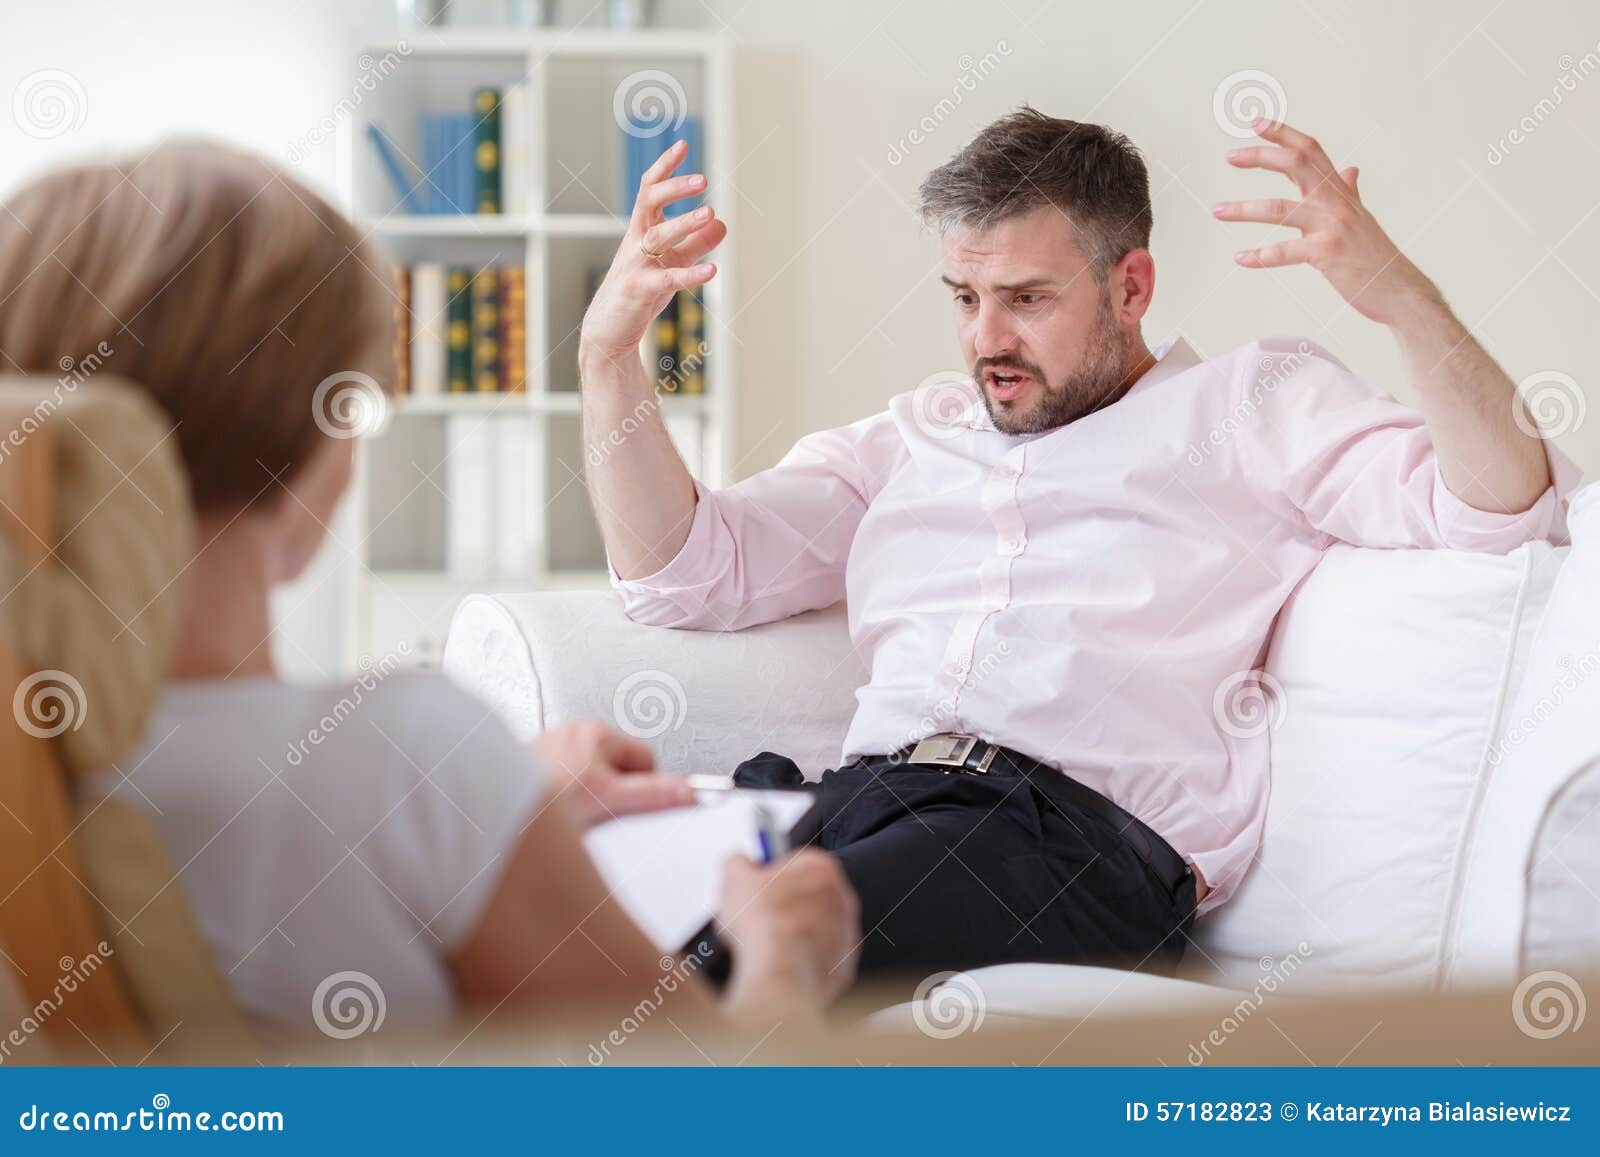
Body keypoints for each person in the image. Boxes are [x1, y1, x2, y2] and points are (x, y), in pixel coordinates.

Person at [579, 108, 1576, 981]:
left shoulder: (1247, 404)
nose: (984, 340)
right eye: (965, 299)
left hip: (1069, 845)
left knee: (729, 955)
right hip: (868, 801)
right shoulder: (912, 434)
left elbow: (1501, 505)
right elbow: (683, 574)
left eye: (1026, 298)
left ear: (1131, 285)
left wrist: (1399, 296)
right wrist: (607, 358)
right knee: (549, 895)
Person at [0, 141, 859, 1040]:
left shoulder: (56, 766)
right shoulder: (400, 755)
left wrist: (483, 817)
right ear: (316, 445)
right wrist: (785, 960)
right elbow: (715, 1107)